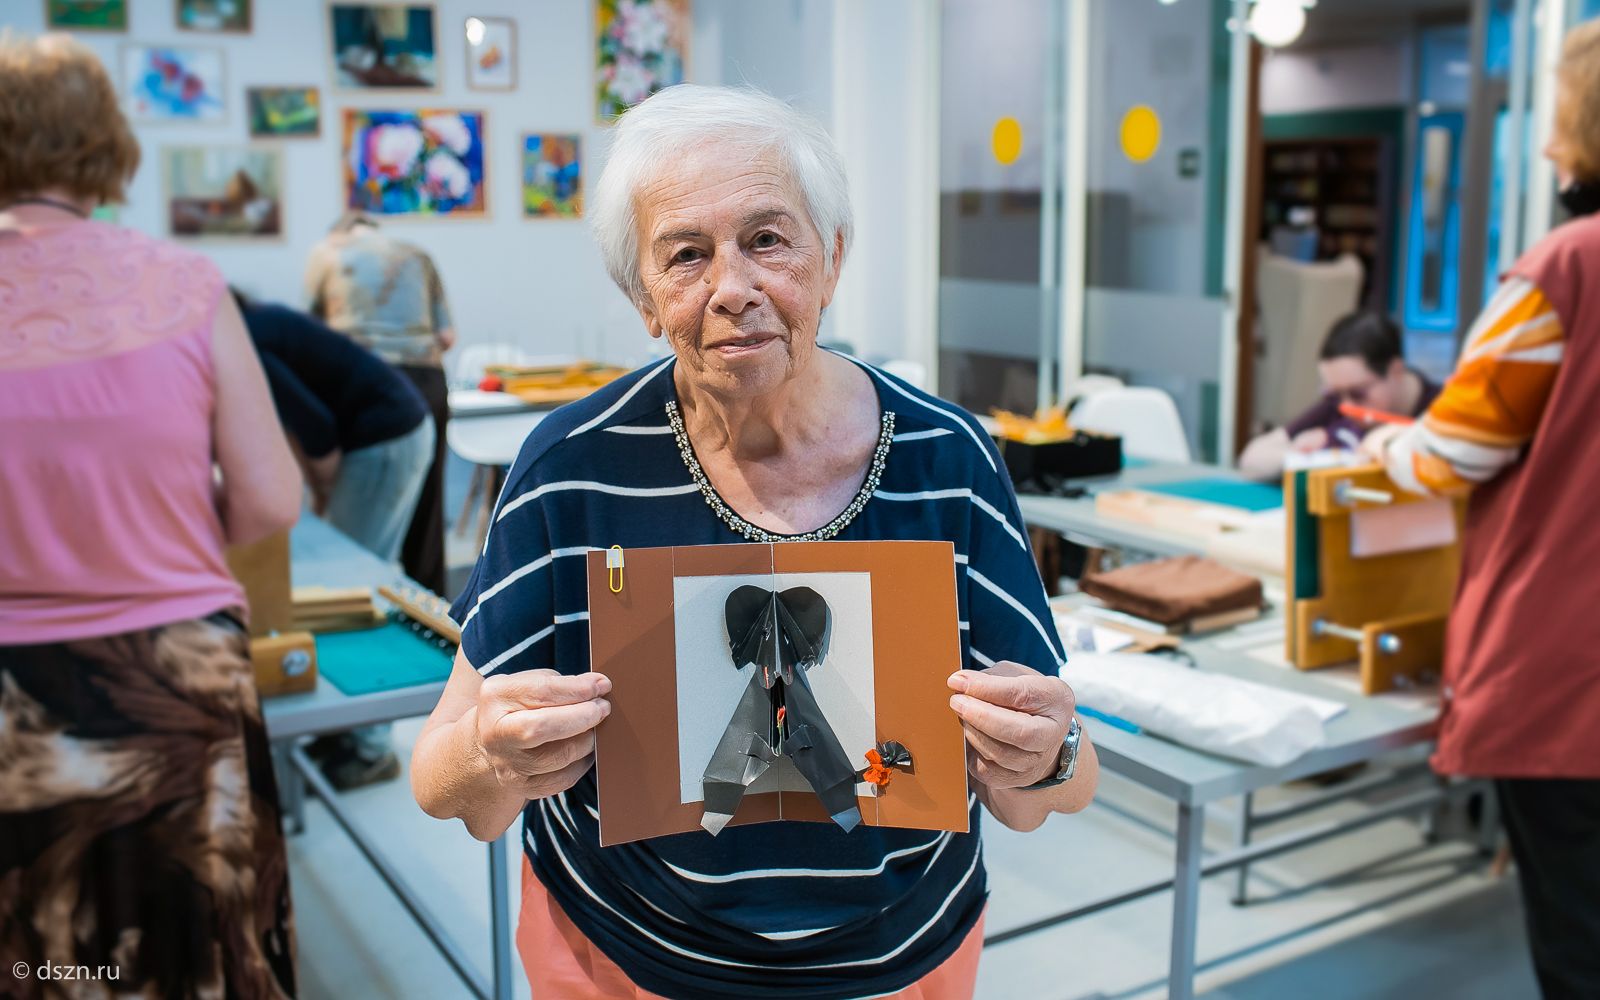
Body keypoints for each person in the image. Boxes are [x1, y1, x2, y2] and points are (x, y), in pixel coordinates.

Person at [411, 85, 1098, 1000]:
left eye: (768, 240)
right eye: (686, 255)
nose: (732, 289)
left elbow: (1041, 798)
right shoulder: (571, 467)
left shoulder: (950, 458)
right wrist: (492, 757)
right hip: (625, 958)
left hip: (896, 963)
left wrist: (1047, 751)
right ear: (643, 298)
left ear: (832, 259)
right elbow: (447, 787)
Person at [0, 33, 301, 998]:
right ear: (106, 146)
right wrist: (151, 525)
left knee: (39, 953)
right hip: (181, 682)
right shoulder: (183, 286)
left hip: (14, 704)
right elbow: (268, 497)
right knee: (193, 957)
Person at [1363, 21, 1600, 999]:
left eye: (1560, 121)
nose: (1546, 147)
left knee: (1580, 939)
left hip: (1569, 671)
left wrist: (1384, 444)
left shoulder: (1563, 267)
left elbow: (1453, 450)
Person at [239, 291, 435, 789]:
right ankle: (348, 731)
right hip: (386, 431)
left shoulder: (248, 341)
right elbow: (298, 428)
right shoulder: (262, 323)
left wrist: (324, 488)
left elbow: (314, 428)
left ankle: (369, 748)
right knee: (362, 580)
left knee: (360, 584)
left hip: (383, 438)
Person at [304, 212, 455, 595]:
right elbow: (447, 336)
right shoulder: (416, 254)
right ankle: (432, 611)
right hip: (426, 379)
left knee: (356, 502)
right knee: (427, 505)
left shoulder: (328, 253)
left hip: (364, 380)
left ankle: (353, 597)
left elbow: (313, 333)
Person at [1238, 310, 1440, 481]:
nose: (1347, 407)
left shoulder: (1441, 411)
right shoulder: (1339, 403)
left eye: (1358, 394)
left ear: (1396, 370)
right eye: (1335, 394)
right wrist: (1305, 456)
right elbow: (1251, 458)